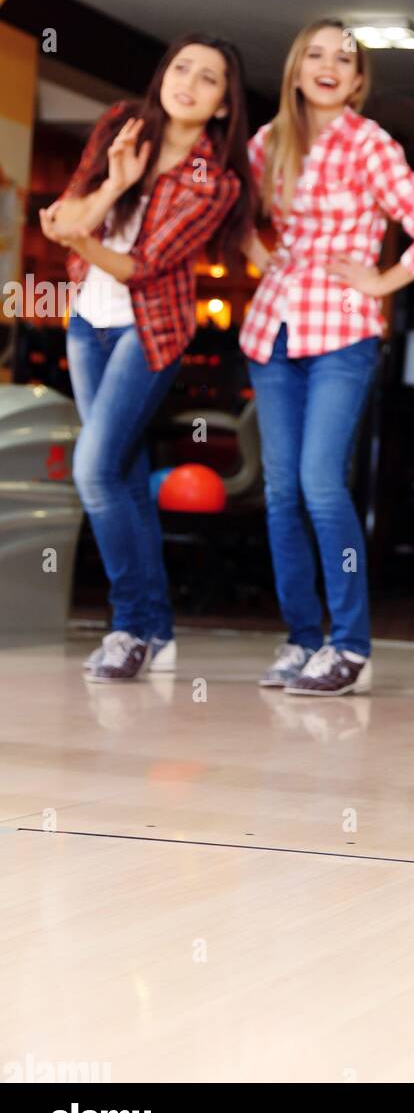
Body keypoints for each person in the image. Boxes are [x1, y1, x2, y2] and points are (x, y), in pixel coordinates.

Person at [241, 20, 414, 695]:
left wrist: (381, 281)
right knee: (279, 494)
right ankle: (302, 637)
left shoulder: (369, 144)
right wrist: (255, 251)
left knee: (318, 483)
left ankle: (349, 645)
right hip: (271, 331)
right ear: (295, 68)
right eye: (316, 54)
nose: (330, 66)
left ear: (360, 80)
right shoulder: (265, 143)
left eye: (345, 58)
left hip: (341, 332)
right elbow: (240, 218)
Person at [41, 34, 254, 682]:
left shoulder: (212, 181)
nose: (187, 82)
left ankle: (129, 625)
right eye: (180, 68)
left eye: (208, 78)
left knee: (96, 470)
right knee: (124, 476)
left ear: (222, 105)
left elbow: (140, 268)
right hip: (87, 322)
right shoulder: (120, 124)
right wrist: (115, 185)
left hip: (149, 329)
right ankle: (155, 633)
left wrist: (78, 227)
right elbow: (64, 217)